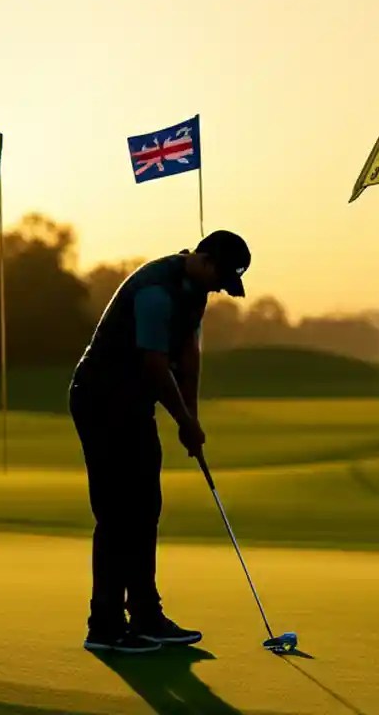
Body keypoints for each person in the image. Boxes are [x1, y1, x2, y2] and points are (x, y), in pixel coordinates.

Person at [69, 229, 251, 654]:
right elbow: (154, 365)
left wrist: (193, 417)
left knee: (146, 506)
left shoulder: (194, 292)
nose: (217, 288)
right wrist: (183, 420)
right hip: (99, 398)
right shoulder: (156, 291)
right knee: (117, 513)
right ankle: (106, 626)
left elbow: (188, 354)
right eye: (218, 278)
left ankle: (147, 616)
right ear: (203, 259)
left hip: (132, 404)